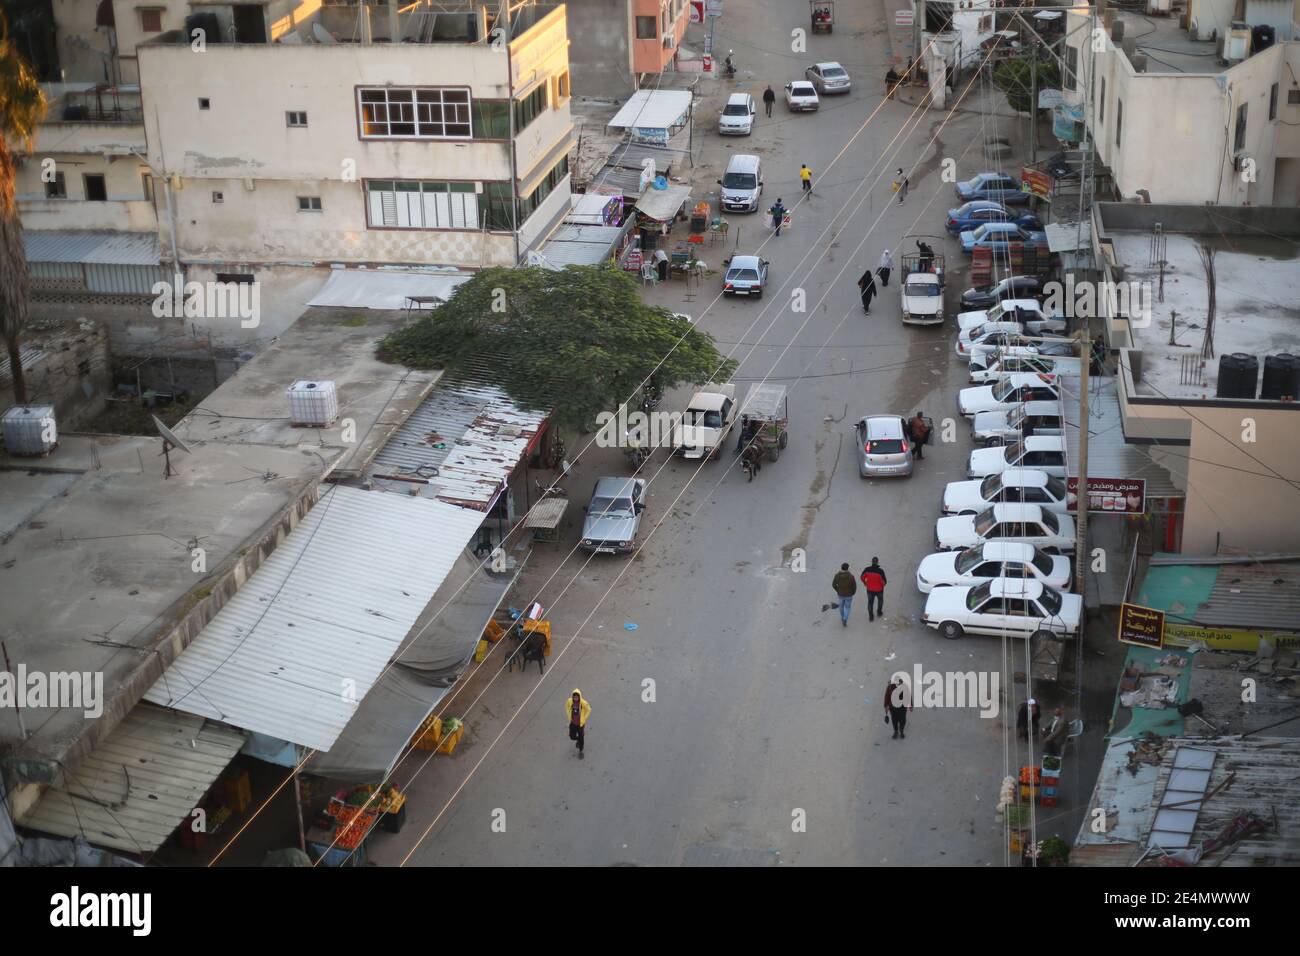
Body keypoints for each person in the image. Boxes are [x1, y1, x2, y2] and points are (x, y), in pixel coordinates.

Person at [566, 689, 591, 758]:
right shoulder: (570, 701)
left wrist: (584, 718)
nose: (575, 699)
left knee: (581, 738)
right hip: (573, 723)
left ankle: (581, 751)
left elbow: (589, 709)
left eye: (577, 697)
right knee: (572, 736)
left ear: (579, 697)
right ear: (572, 697)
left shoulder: (583, 703)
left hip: (580, 724)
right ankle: (578, 739)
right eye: (574, 697)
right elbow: (567, 707)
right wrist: (568, 714)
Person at [831, 562, 857, 627]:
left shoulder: (837, 575)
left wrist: (838, 590)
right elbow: (854, 586)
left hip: (840, 594)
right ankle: (845, 619)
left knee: (841, 606)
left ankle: (842, 617)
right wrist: (853, 592)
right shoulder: (851, 576)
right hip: (849, 595)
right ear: (847, 568)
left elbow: (833, 585)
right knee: (847, 607)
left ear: (841, 567)